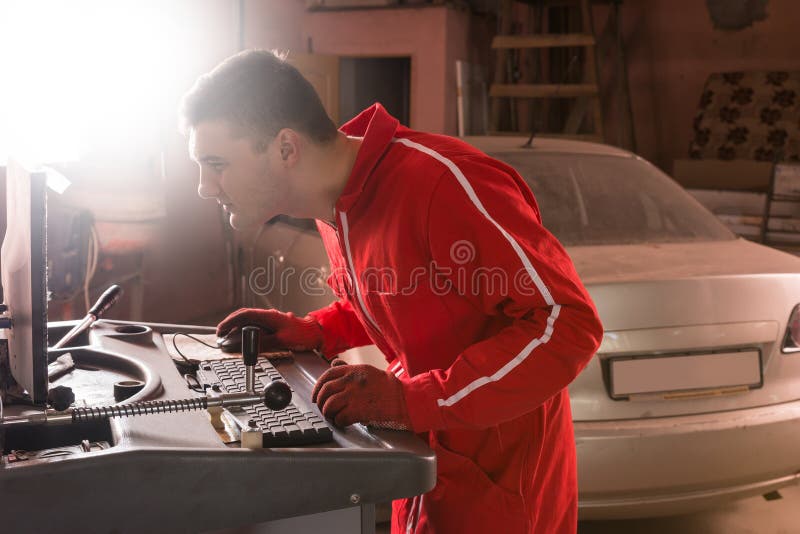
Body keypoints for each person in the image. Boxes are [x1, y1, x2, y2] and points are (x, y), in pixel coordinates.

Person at [180, 49, 603, 534]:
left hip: (500, 489)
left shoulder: (442, 184)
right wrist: (318, 331)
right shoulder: (338, 202)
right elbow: (410, 294)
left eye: (215, 164)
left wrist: (410, 401)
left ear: (285, 148)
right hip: (425, 466)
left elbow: (567, 323)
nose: (204, 187)